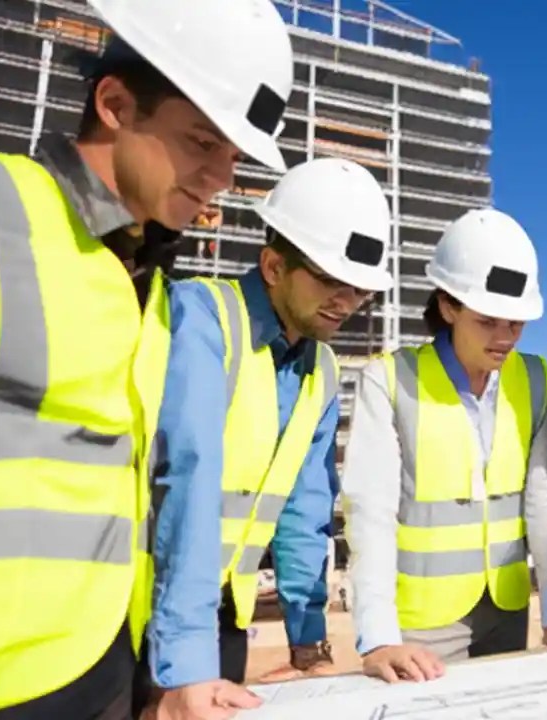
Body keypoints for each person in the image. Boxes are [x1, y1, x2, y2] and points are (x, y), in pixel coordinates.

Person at [0, 0, 293, 717]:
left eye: (233, 158)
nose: (220, 179)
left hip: (105, 673)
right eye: (202, 143)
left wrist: (175, 671)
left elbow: (172, 487)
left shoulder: (156, 290)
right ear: (113, 104)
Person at [140, 157, 392, 716]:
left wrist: (309, 647)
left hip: (226, 617)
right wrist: (185, 664)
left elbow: (306, 513)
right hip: (142, 612)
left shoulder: (322, 369)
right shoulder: (201, 317)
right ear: (274, 266)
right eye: (331, 280)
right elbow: (186, 478)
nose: (346, 302)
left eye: (360, 290)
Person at [341, 208, 547, 681]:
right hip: (422, 627)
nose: (505, 338)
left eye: (516, 324)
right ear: (448, 307)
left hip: (506, 610)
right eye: (488, 322)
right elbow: (370, 514)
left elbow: (543, 502)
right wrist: (380, 636)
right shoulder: (389, 379)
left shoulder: (534, 378)